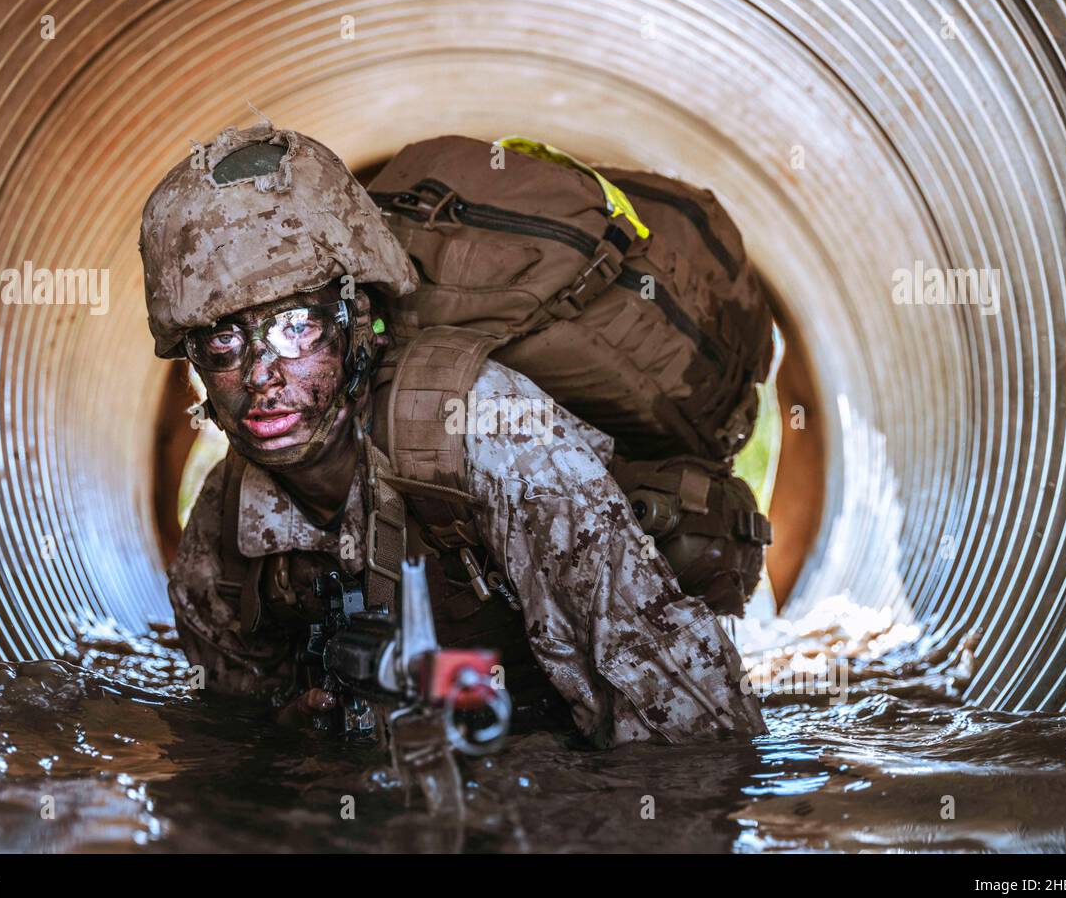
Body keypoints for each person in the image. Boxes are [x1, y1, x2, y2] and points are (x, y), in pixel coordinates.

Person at [141, 122, 767, 747]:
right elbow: (221, 739)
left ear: (357, 319)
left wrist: (465, 707)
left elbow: (698, 728)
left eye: (296, 329)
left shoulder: (490, 432)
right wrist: (292, 728)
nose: (259, 377)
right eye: (223, 340)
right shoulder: (226, 525)